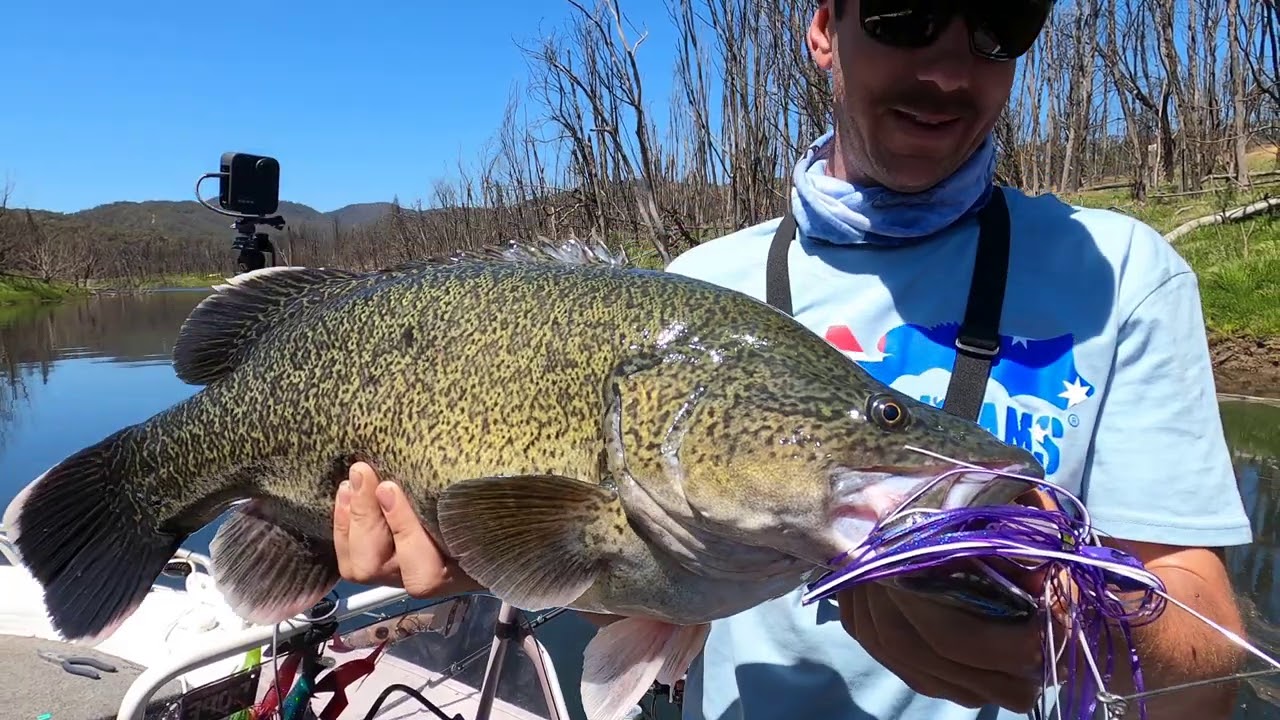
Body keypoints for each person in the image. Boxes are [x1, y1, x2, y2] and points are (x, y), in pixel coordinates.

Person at [330, 1, 1255, 718]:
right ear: (823, 29)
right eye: (904, 15)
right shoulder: (689, 292)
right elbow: (629, 596)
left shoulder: (1121, 276)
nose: (946, 66)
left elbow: (1209, 672)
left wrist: (1071, 627)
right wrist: (494, 555)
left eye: (998, 27)